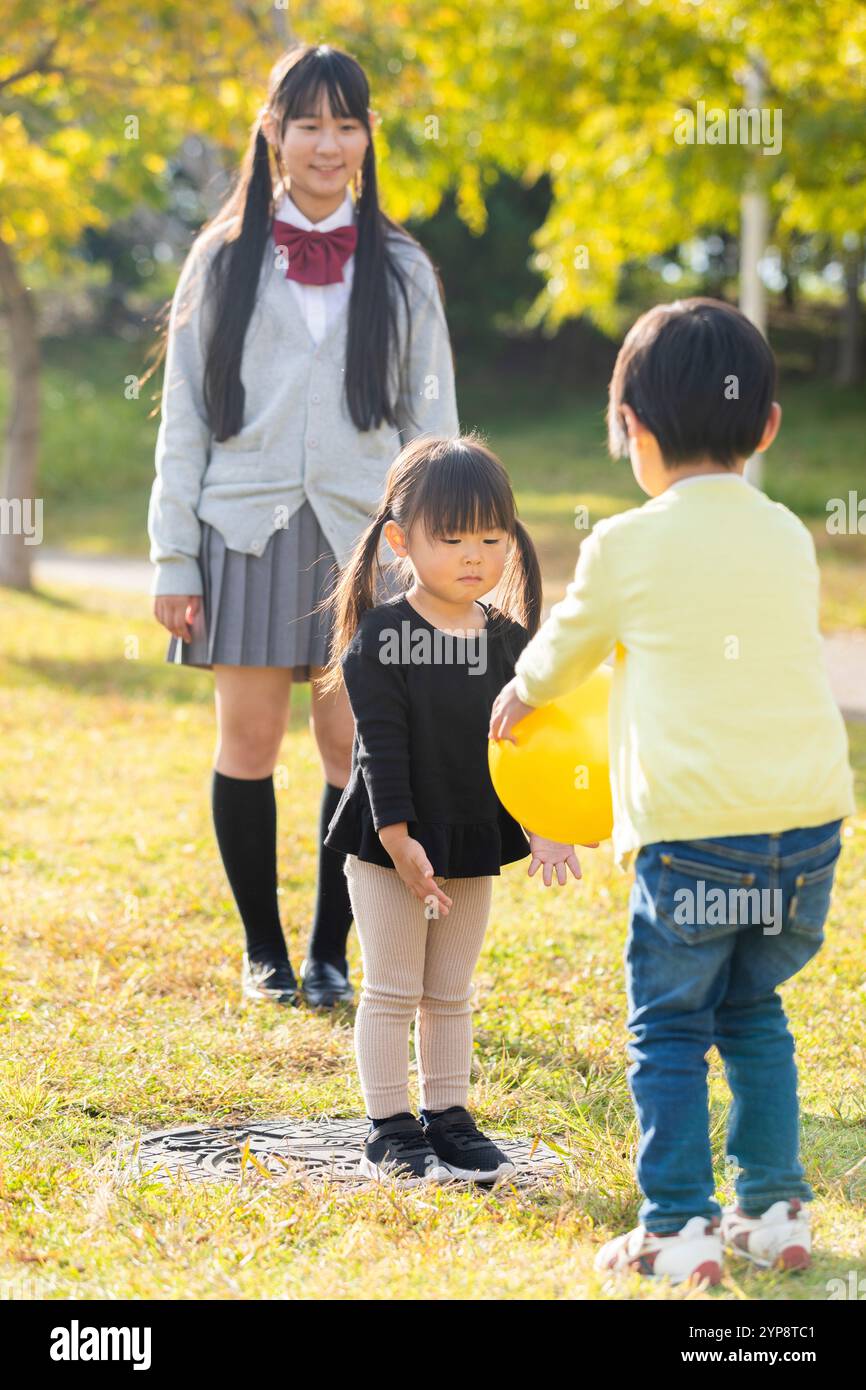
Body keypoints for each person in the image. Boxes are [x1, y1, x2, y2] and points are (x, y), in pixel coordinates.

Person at [490, 298, 856, 1283]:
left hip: (693, 834)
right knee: (751, 1006)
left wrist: (520, 693)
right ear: (767, 427)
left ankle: (678, 1224)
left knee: (667, 1028)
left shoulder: (623, 544)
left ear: (631, 431)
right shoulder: (786, 535)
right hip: (805, 826)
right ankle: (774, 1206)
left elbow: (566, 647)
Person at [146, 43, 458, 1009]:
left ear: (368, 136)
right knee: (247, 743)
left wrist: (439, 550)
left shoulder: (402, 268)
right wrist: (172, 554)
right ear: (272, 132)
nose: (328, 143)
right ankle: (263, 953)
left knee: (350, 749)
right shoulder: (222, 256)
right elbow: (186, 416)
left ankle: (329, 951)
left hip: (366, 539)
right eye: (308, 123)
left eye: (347, 123)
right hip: (241, 531)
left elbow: (433, 420)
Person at [321, 434, 590, 1185]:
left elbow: (524, 747)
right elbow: (381, 750)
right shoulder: (382, 637)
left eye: (491, 537)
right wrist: (399, 840)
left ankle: (448, 1116)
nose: (475, 554)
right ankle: (389, 1126)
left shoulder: (509, 643)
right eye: (452, 537)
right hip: (389, 840)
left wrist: (544, 823)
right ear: (402, 541)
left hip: (470, 841)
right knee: (393, 987)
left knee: (450, 992)